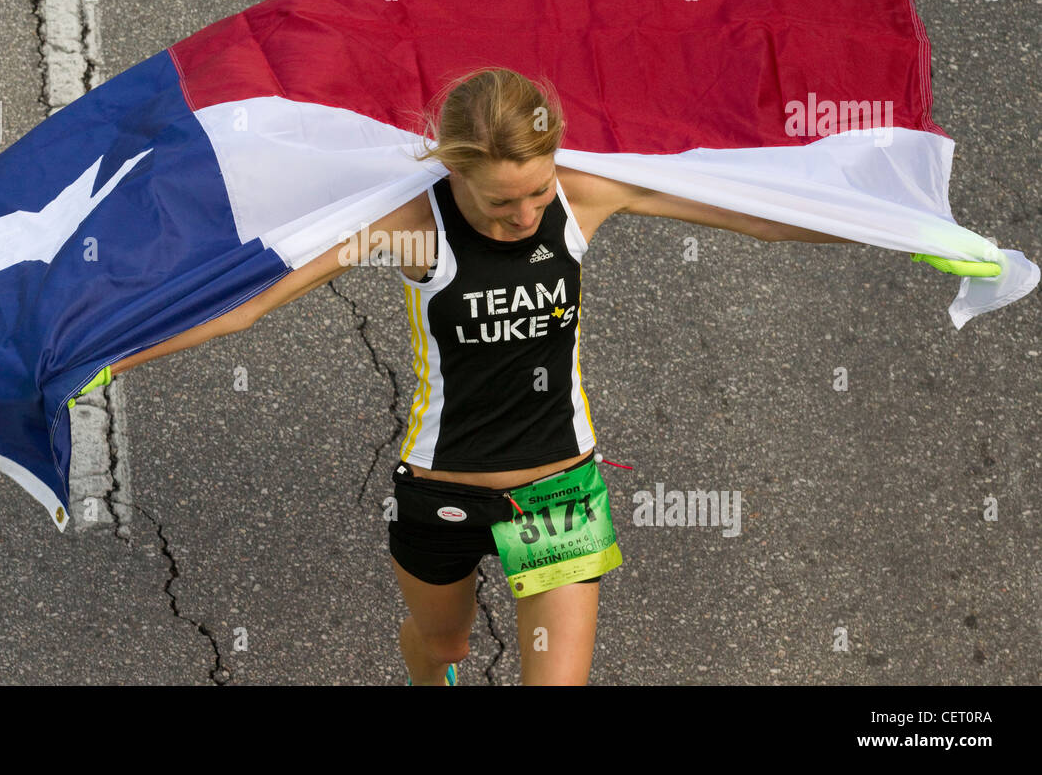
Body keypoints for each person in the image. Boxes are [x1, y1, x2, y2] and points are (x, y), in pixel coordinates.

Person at [107, 68, 856, 685]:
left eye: (536, 192)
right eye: (501, 201)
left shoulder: (583, 197)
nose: (526, 214)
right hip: (441, 497)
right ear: (453, 168)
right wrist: (105, 362)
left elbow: (759, 214)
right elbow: (248, 306)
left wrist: (914, 231)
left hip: (558, 496)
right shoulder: (407, 228)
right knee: (446, 650)